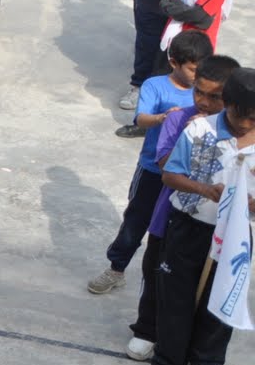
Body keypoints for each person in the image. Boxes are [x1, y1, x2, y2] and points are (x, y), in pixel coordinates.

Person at [143, 66, 255, 365]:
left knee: (221, 300)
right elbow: (171, 176)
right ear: (229, 104)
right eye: (244, 116)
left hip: (238, 236)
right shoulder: (198, 130)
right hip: (191, 227)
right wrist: (207, 190)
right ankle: (166, 363)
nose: (249, 124)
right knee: (175, 297)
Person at [125, 53, 239, 365]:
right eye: (198, 91)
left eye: (213, 96)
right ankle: (147, 330)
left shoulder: (238, 132)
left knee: (195, 286)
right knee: (158, 274)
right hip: (170, 217)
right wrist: (195, 134)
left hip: (213, 227)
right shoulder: (180, 120)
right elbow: (164, 164)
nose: (203, 101)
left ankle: (187, 348)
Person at [89, 30, 214, 295]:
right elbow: (140, 119)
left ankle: (164, 275)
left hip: (186, 177)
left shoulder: (207, 95)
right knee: (136, 220)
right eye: (192, 69)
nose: (197, 75)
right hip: (152, 169)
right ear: (173, 62)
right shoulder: (155, 85)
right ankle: (116, 268)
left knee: (175, 228)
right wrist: (163, 118)